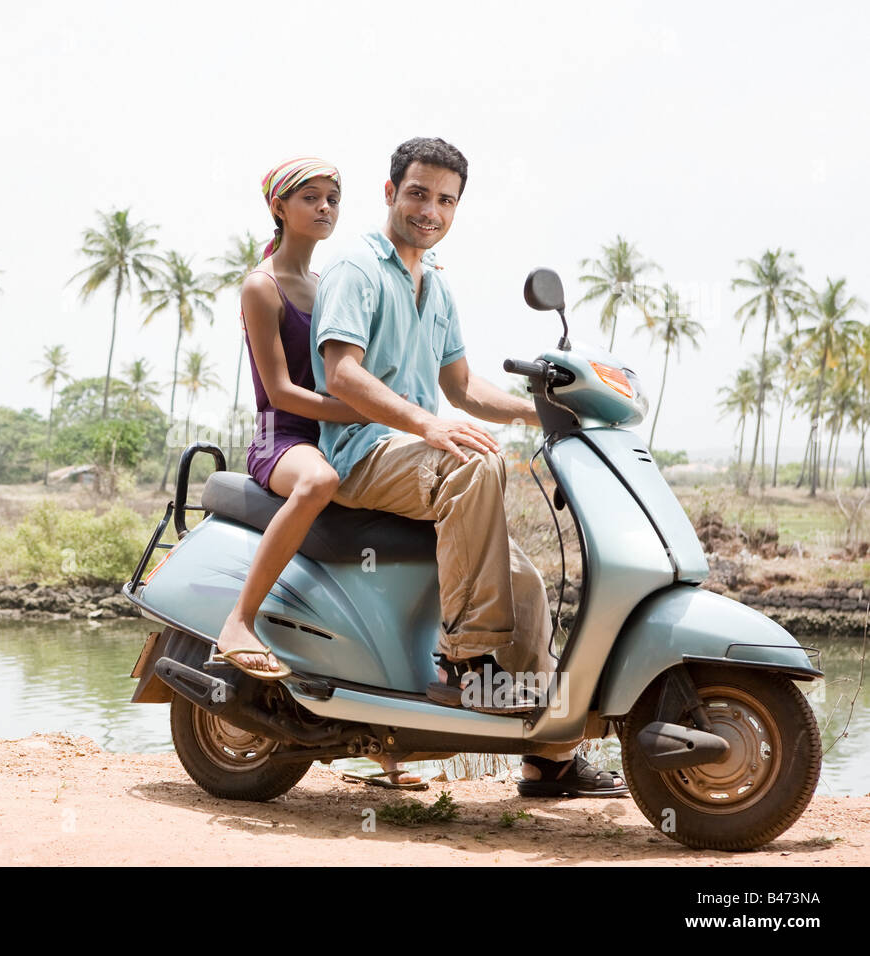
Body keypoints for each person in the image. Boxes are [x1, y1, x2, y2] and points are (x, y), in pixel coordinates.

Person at [309, 137, 626, 797]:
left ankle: (550, 761)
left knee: (529, 587)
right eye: (419, 193)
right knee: (471, 459)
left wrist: (547, 413)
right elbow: (342, 373)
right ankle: (463, 664)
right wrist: (427, 424)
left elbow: (460, 387)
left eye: (446, 199)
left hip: (418, 453)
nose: (431, 209)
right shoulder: (356, 268)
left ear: (457, 208)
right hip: (365, 451)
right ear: (391, 192)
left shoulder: (435, 284)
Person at [213, 156, 422, 790]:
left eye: (334, 197)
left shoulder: (334, 280)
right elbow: (277, 390)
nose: (326, 207)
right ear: (279, 207)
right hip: (288, 440)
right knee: (320, 484)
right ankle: (239, 620)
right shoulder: (263, 285)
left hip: (342, 432)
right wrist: (359, 405)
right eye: (311, 197)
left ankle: (389, 732)